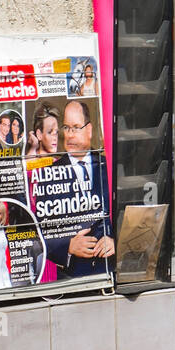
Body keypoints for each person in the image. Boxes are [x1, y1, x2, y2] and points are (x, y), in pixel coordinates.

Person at [36, 99, 114, 279]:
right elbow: (40, 233)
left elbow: (124, 213)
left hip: (110, 273)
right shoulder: (50, 175)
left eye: (75, 127)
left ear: (89, 130)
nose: (69, 135)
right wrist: (68, 247)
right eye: (66, 128)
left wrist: (115, 240)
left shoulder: (107, 166)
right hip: (72, 278)